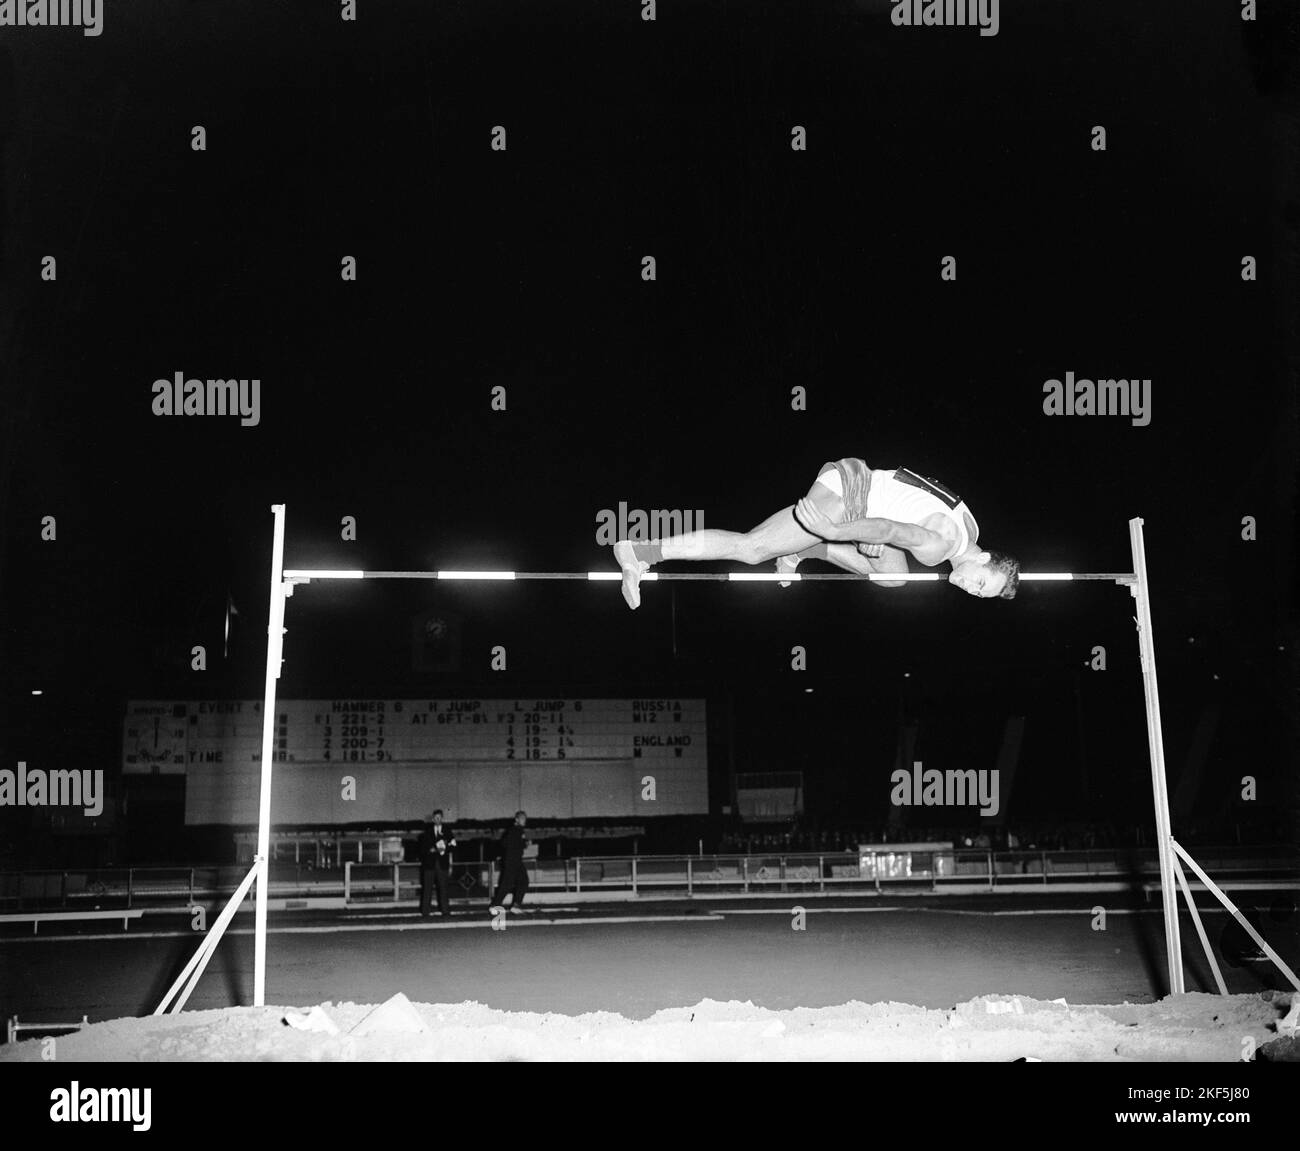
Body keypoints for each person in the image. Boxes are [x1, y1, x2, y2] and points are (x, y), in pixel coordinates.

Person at [611, 457, 1019, 608]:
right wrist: (835, 527)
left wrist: (865, 533)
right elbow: (889, 527)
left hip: (865, 495)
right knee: (752, 549)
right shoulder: (941, 547)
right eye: (979, 582)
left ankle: (807, 551)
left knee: (895, 578)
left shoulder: (971, 526)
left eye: (979, 594)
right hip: (849, 492)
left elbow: (904, 508)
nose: (969, 588)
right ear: (983, 558)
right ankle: (640, 552)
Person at [489, 811, 531, 915]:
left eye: (525, 818)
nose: (524, 821)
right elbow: (506, 843)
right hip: (512, 861)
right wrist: (524, 843)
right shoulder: (514, 830)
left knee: (523, 881)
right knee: (507, 884)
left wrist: (523, 843)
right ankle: (495, 905)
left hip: (515, 861)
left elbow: (509, 843)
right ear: (516, 819)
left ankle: (515, 905)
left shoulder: (518, 830)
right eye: (522, 818)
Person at [418, 809, 457, 918]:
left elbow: (454, 846)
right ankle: (425, 912)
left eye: (439, 818)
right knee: (427, 888)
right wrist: (429, 850)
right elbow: (422, 849)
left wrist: (444, 849)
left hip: (442, 864)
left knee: (443, 888)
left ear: (442, 818)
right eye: (436, 818)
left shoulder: (448, 831)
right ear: (433, 819)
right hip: (429, 865)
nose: (437, 820)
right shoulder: (427, 832)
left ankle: (445, 911)